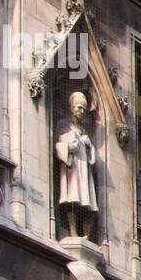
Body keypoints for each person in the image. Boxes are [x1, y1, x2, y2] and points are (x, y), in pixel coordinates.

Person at [56, 90, 98, 237]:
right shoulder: (63, 124)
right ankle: (73, 233)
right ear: (71, 107)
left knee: (90, 203)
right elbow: (59, 145)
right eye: (79, 107)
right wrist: (69, 146)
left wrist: (89, 146)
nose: (81, 111)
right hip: (71, 168)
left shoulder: (84, 129)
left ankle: (86, 235)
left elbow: (92, 157)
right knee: (72, 199)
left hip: (85, 171)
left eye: (84, 109)